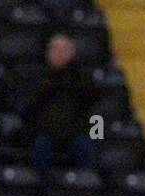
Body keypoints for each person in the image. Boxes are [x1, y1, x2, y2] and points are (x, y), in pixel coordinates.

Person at [24, 33, 97, 178]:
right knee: (40, 146)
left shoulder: (82, 78)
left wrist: (95, 134)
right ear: (48, 53)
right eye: (56, 50)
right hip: (45, 134)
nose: (60, 54)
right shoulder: (36, 77)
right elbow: (28, 107)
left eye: (64, 50)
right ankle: (40, 185)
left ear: (71, 54)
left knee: (87, 146)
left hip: (74, 134)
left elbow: (93, 108)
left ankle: (86, 185)